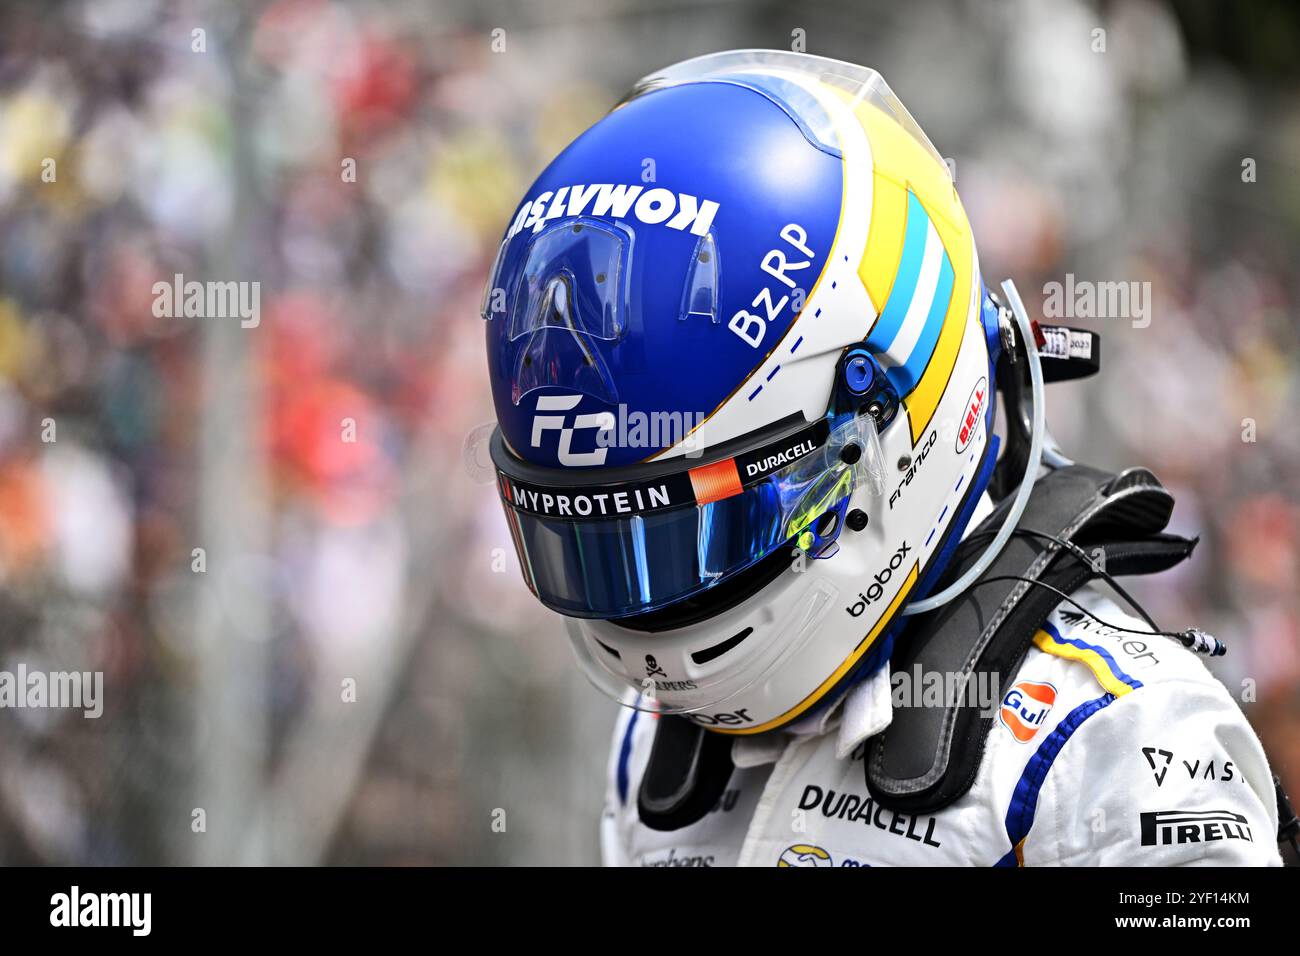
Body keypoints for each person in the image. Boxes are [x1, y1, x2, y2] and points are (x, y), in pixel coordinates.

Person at [478, 50, 1287, 866]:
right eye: (605, 551)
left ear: (884, 428)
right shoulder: (656, 740)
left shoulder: (1120, 745)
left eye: (705, 530)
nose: (650, 610)